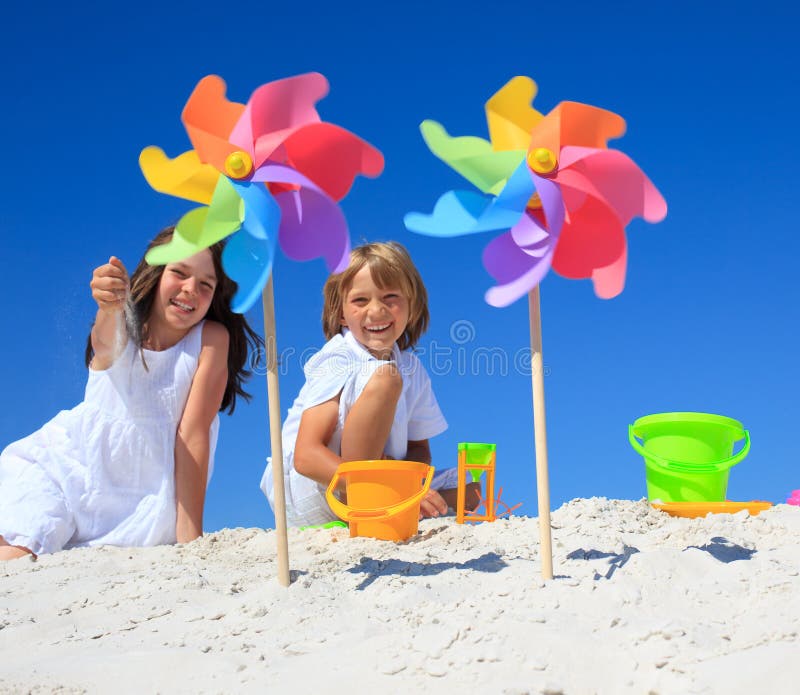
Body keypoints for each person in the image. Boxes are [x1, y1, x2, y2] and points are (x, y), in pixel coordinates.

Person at [0, 227, 261, 560]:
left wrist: (191, 543)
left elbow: (192, 434)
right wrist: (109, 306)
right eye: (179, 273)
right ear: (156, 273)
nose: (190, 289)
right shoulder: (121, 321)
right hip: (68, 469)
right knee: (18, 552)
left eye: (205, 285)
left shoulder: (210, 339)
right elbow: (105, 343)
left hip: (144, 498)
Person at [260, 241, 479, 527]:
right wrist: (380, 483)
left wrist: (404, 481)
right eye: (360, 301)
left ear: (411, 307)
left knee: (472, 494)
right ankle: (376, 504)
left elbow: (418, 448)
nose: (376, 311)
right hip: (315, 484)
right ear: (341, 314)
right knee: (386, 379)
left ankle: (391, 502)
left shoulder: (412, 368)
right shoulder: (338, 359)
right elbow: (307, 456)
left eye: (390, 297)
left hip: (373, 475)